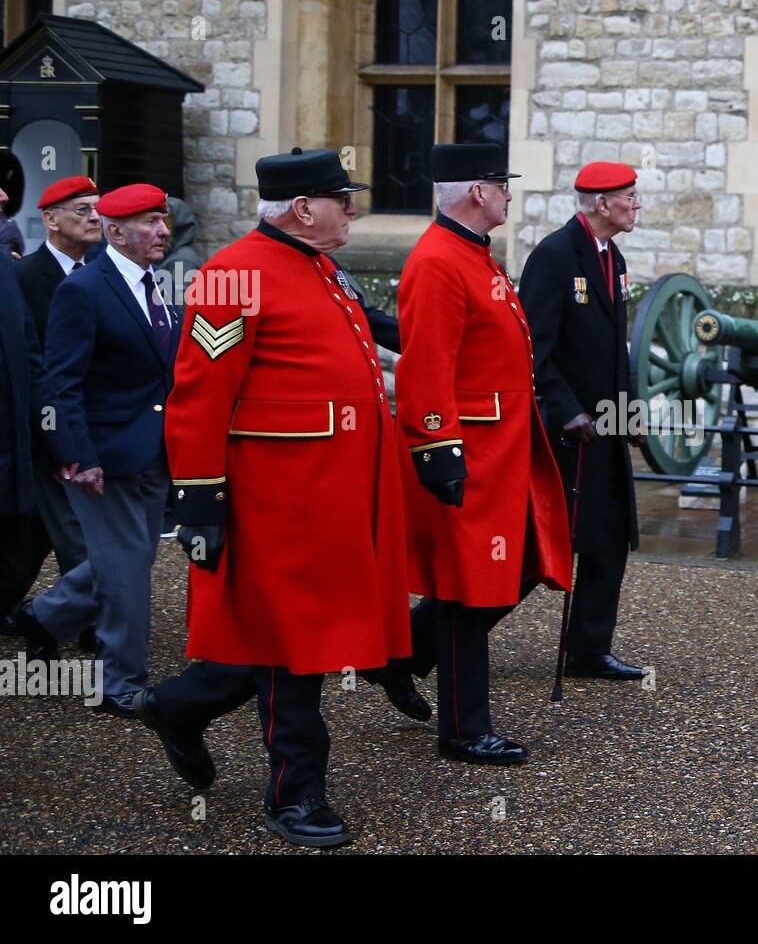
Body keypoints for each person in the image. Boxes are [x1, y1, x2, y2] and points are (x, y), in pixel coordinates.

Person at [133, 147, 411, 848]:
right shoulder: (235, 277)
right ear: (301, 208)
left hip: (332, 498)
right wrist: (199, 502)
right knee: (296, 653)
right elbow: (198, 397)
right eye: (340, 199)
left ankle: (177, 705)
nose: (351, 210)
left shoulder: (320, 266)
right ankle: (294, 795)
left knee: (290, 640)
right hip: (276, 505)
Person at [394, 142, 572, 765]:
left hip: (503, 448)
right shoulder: (441, 260)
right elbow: (426, 365)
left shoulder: (474, 255)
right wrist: (439, 447)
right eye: (502, 185)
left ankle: (404, 657)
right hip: (470, 451)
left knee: (517, 565)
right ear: (477, 191)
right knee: (470, 592)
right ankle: (465, 728)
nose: (509, 195)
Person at [13, 184, 176, 716]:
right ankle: (119, 681)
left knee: (128, 556)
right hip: (103, 457)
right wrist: (78, 455)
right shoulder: (84, 290)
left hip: (155, 451)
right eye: (151, 222)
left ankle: (46, 615)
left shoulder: (160, 284)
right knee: (127, 567)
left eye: (163, 221)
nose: (163, 231)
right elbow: (60, 383)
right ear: (117, 231)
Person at [518, 161, 645, 681]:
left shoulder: (611, 256)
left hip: (607, 427)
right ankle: (428, 641)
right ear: (600, 203)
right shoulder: (553, 256)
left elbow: (618, 350)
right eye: (629, 197)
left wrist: (629, 411)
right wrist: (565, 409)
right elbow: (533, 347)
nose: (637, 205)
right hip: (567, 434)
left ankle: (589, 648)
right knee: (537, 551)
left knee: (609, 536)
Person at [6, 177, 102, 644]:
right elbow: (30, 358)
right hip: (45, 430)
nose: (94, 218)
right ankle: (73, 620)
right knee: (73, 534)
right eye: (82, 210)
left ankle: (35, 612)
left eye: (97, 209)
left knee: (44, 534)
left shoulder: (105, 270)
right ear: (50, 219)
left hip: (93, 425)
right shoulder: (24, 277)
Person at [0, 199, 82, 625]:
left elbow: (31, 361)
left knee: (23, 550)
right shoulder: (21, 270)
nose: (2, 196)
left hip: (28, 443)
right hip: (22, 444)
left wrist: (63, 440)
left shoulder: (4, 267)